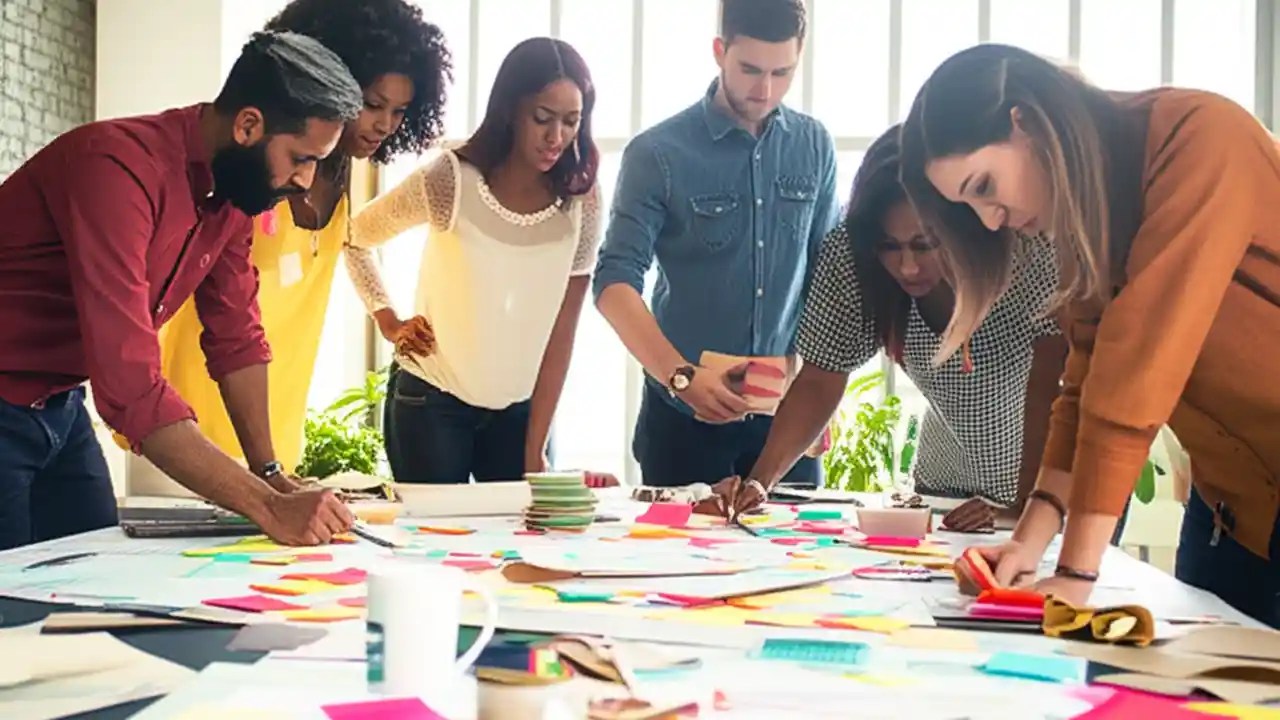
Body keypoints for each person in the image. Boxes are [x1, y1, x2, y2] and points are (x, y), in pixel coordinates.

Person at [897, 43, 1280, 626]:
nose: (990, 219)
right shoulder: (1087, 210)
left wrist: (1076, 575)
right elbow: (1082, 387)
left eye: (983, 186)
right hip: (1233, 512)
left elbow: (1139, 368)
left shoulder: (1201, 143)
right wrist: (1028, 547)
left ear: (1026, 123)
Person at [0, 31, 364, 550]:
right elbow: (130, 389)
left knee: (96, 585)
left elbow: (235, 335)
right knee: (12, 612)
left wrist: (271, 475)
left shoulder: (237, 194)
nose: (306, 182)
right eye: (301, 158)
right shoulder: (115, 168)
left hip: (57, 405)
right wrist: (269, 509)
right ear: (248, 125)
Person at [150, 0, 452, 482]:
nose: (384, 124)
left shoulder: (343, 170)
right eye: (372, 105)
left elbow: (353, 244)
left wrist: (386, 317)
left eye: (399, 111)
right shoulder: (260, 167)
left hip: (276, 414)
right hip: (196, 402)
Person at [717, 125, 1067, 531]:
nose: (907, 267)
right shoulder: (850, 257)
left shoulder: (1028, 250)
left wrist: (1028, 506)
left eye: (925, 244)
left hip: (1054, 484)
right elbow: (820, 377)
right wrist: (761, 482)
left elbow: (1050, 391)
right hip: (947, 487)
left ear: (965, 226)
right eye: (889, 246)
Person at [594, 0, 839, 488]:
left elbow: (827, 278)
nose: (764, 89)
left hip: (786, 421)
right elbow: (613, 282)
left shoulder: (814, 146)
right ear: (719, 51)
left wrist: (820, 394)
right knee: (680, 563)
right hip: (682, 420)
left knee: (796, 563)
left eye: (782, 72)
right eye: (749, 69)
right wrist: (680, 376)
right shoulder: (657, 154)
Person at [345, 37, 611, 485]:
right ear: (510, 110)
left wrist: (535, 447)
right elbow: (355, 240)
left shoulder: (582, 199)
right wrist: (389, 322)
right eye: (542, 118)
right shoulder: (450, 178)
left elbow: (563, 330)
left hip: (523, 411)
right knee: (433, 549)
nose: (556, 137)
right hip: (431, 400)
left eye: (571, 121)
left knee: (514, 549)